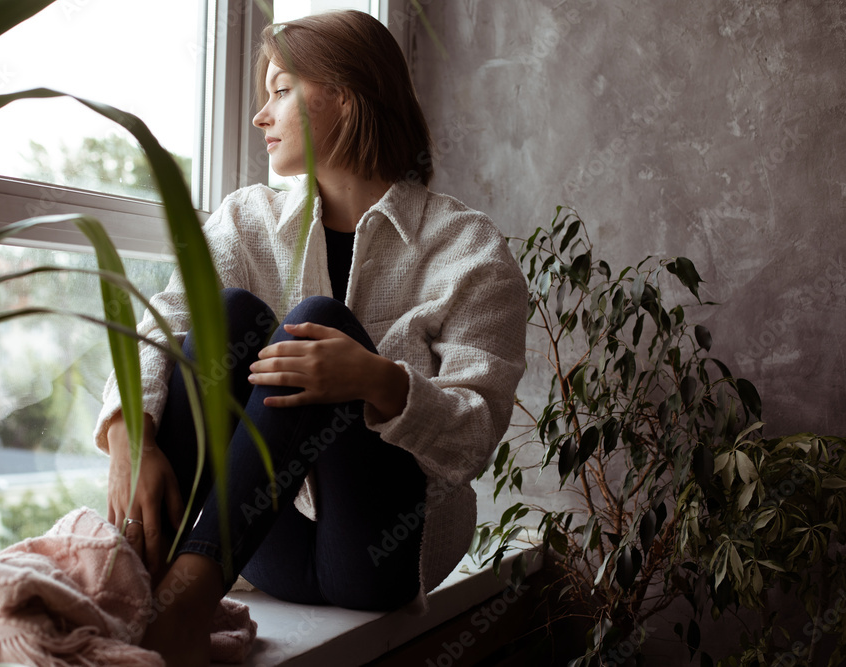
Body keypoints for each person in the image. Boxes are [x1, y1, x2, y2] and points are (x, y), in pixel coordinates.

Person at [93, 9, 527, 666]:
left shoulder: (467, 249)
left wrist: (375, 381)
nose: (260, 116)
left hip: (382, 553)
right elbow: (163, 324)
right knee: (228, 313)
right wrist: (133, 432)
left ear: (345, 97)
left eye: (279, 90)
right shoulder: (248, 220)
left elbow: (474, 436)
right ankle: (154, 585)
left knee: (318, 320)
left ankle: (181, 606)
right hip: (269, 540)